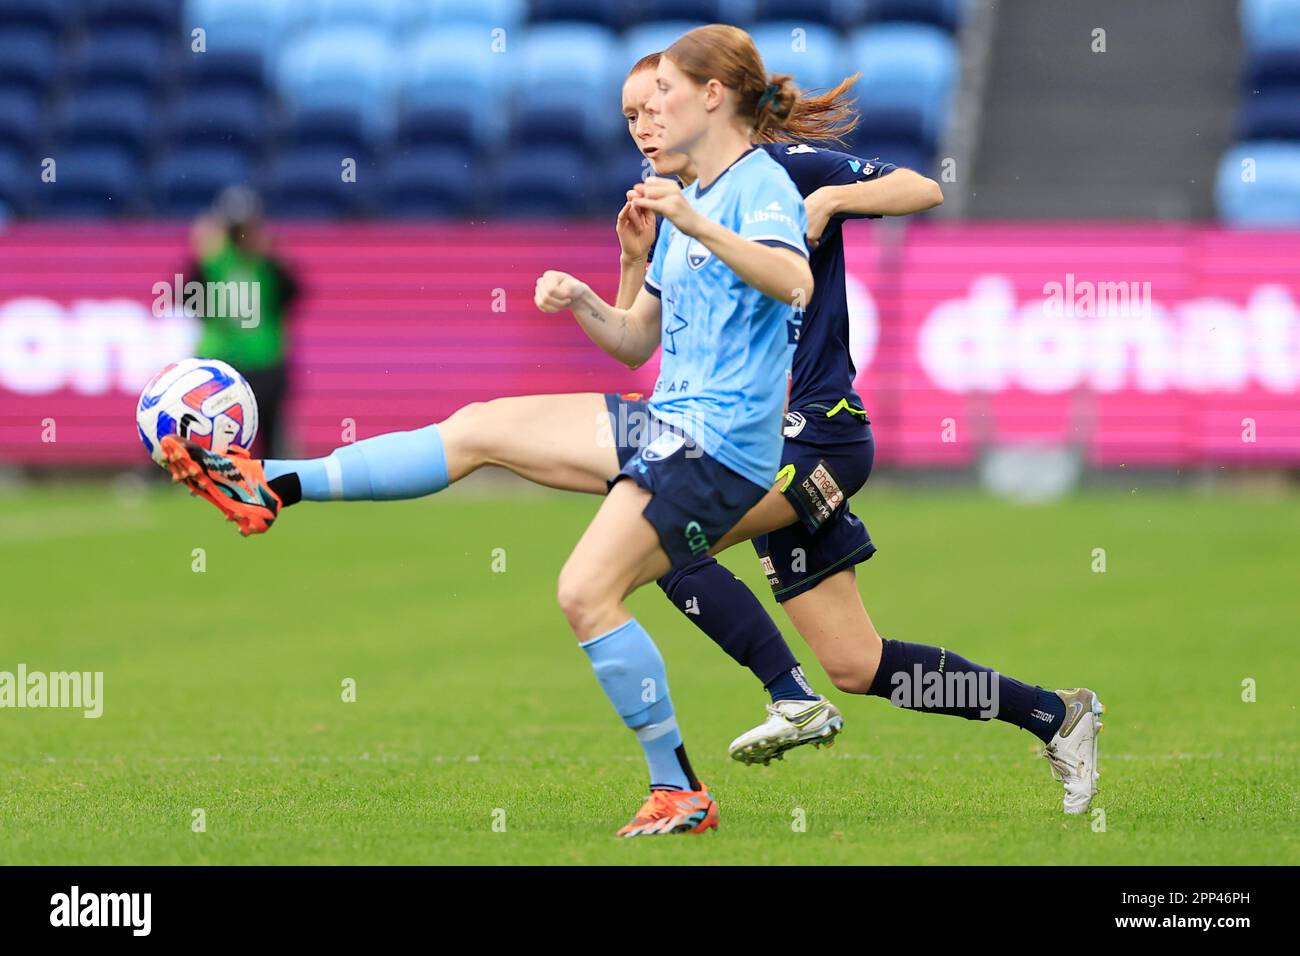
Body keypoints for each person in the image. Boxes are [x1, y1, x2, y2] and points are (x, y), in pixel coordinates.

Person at [162, 31, 1104, 817]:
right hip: (687, 428)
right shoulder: (675, 199)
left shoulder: (770, 177)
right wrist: (599, 286)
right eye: (628, 113)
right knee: (855, 658)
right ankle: (1050, 715)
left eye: (652, 103)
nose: (639, 123)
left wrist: (802, 205)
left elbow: (812, 264)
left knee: (630, 564)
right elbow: (636, 341)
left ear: (709, 96)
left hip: (807, 437)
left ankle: (741, 735)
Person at [186, 186, 299, 458]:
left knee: (269, 431)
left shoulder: (266, 264)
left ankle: (270, 477)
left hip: (263, 359)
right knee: (195, 418)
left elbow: (293, 294)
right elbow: (188, 299)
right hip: (223, 358)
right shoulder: (212, 263)